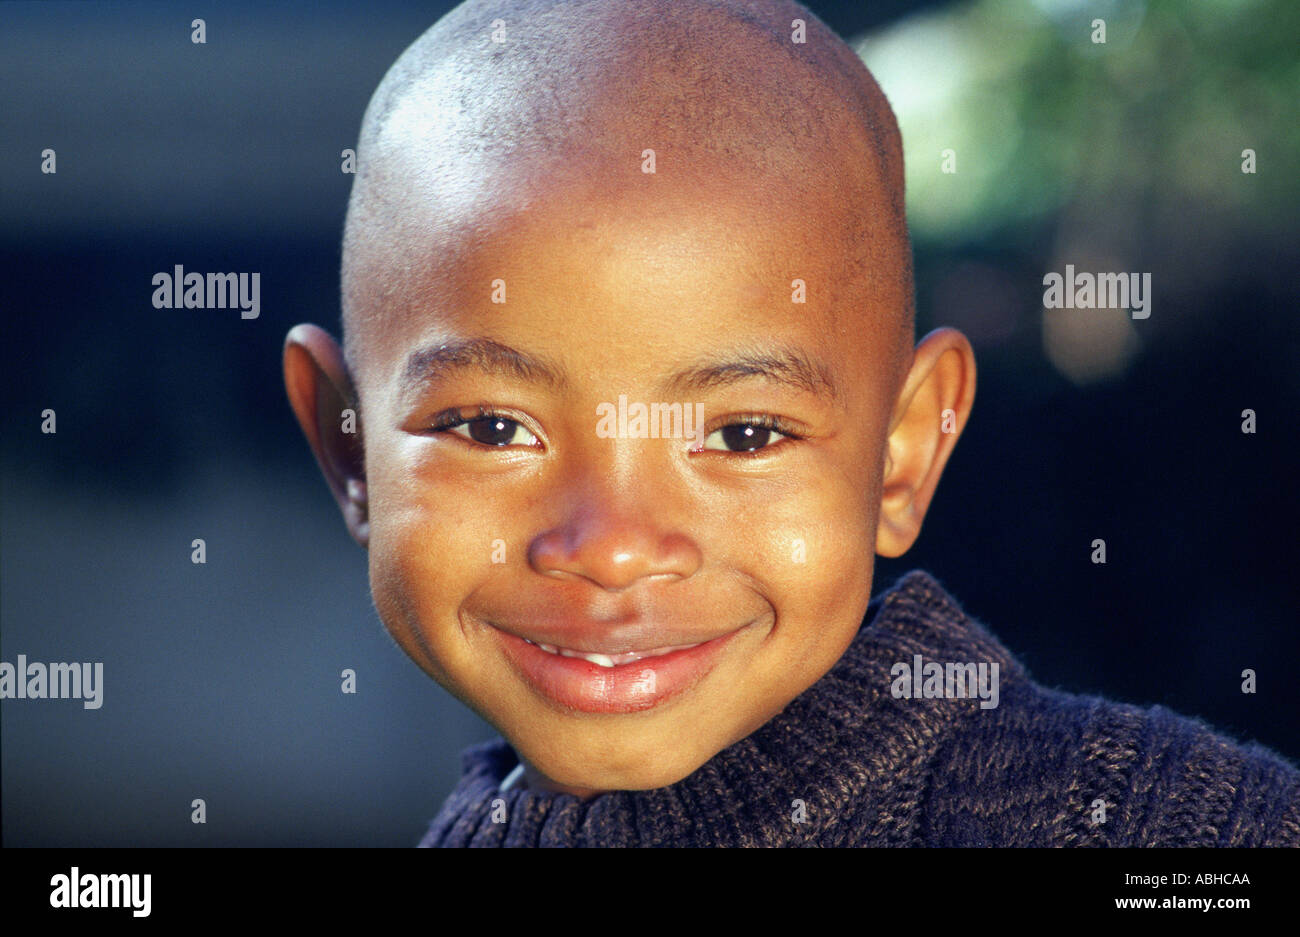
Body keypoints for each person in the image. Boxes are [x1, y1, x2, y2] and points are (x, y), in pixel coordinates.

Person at [282, 0, 1300, 846]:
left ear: (902, 454)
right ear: (348, 445)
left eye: (744, 434)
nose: (614, 549)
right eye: (494, 428)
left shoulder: (1170, 833)